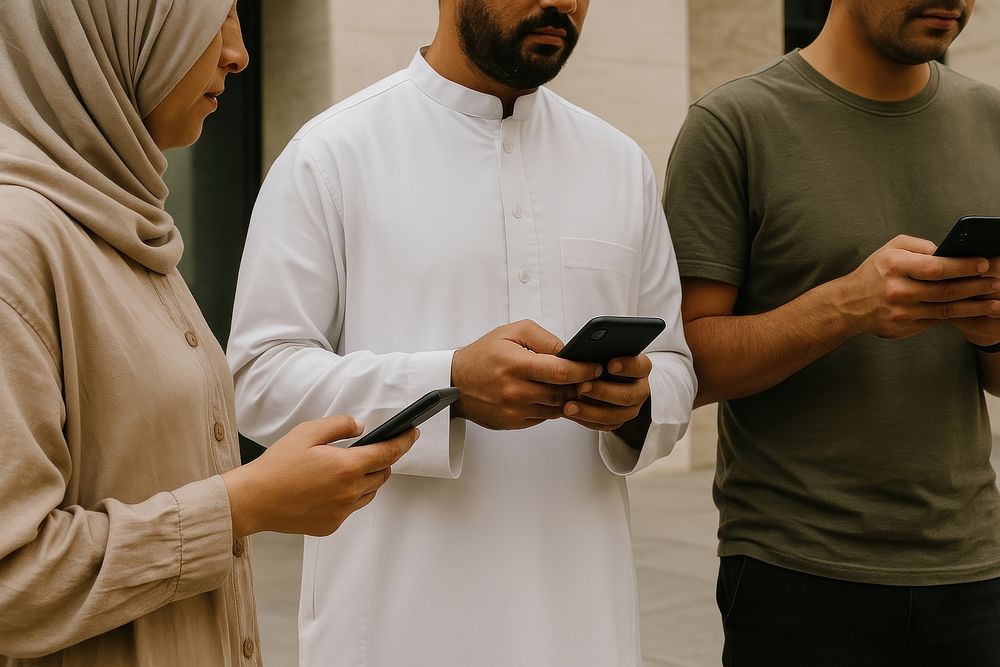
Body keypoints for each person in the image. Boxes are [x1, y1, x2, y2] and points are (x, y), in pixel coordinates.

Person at [226, 0, 697, 664]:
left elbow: (675, 363)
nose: (559, 5)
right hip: (395, 626)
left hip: (582, 623)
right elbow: (260, 379)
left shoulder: (620, 163)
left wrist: (637, 403)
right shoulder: (332, 155)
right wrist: (445, 384)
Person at [0, 2, 415, 664]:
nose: (237, 52)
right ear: (112, 28)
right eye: (212, 17)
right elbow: (10, 580)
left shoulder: (124, 227)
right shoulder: (18, 246)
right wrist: (242, 504)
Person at [663, 0, 1000, 664]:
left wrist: (991, 330)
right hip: (795, 570)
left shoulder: (991, 120)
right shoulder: (734, 124)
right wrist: (848, 306)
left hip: (971, 567)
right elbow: (685, 365)